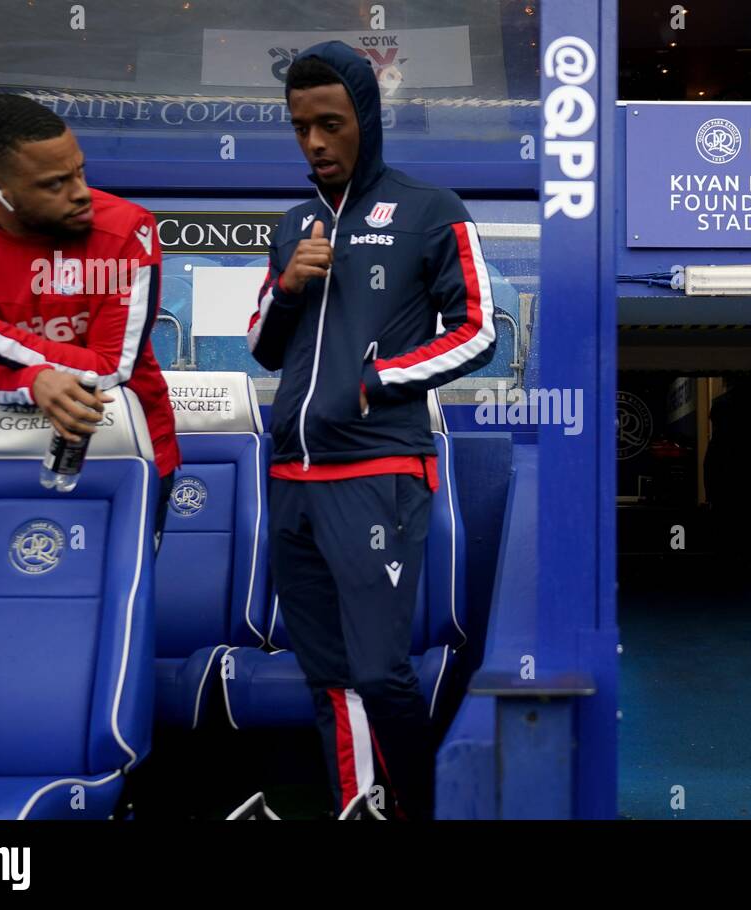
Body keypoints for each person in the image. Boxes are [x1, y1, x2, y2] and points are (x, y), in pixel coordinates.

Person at [248, 41, 496, 820]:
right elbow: (259, 342)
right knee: (326, 675)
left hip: (377, 472)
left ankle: (420, 807)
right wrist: (288, 289)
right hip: (291, 477)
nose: (315, 143)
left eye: (331, 123)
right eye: (300, 128)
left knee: (381, 671)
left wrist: (378, 380)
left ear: (368, 120)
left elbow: (481, 331)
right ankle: (360, 806)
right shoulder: (291, 225)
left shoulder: (429, 209)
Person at [0, 94, 181, 537]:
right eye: (54, 184)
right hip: (8, 448)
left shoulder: (124, 229)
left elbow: (111, 368)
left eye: (80, 171)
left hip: (128, 449)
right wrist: (34, 381)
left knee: (119, 602)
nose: (81, 192)